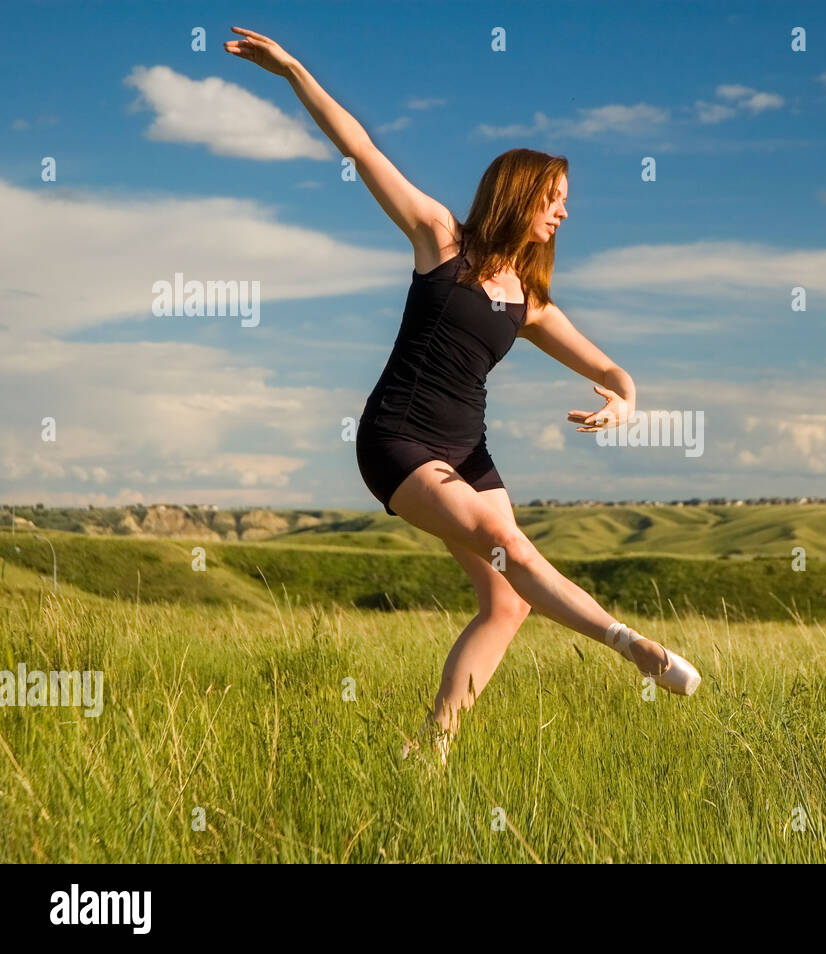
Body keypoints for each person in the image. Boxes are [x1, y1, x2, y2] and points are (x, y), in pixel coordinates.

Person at [225, 27, 700, 764]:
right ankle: (627, 644)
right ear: (520, 191)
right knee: (511, 548)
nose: (563, 214)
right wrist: (293, 72)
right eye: (555, 198)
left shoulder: (530, 303)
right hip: (398, 443)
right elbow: (362, 150)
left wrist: (624, 401)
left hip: (466, 451)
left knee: (507, 600)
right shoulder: (442, 241)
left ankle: (431, 751)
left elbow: (613, 372)